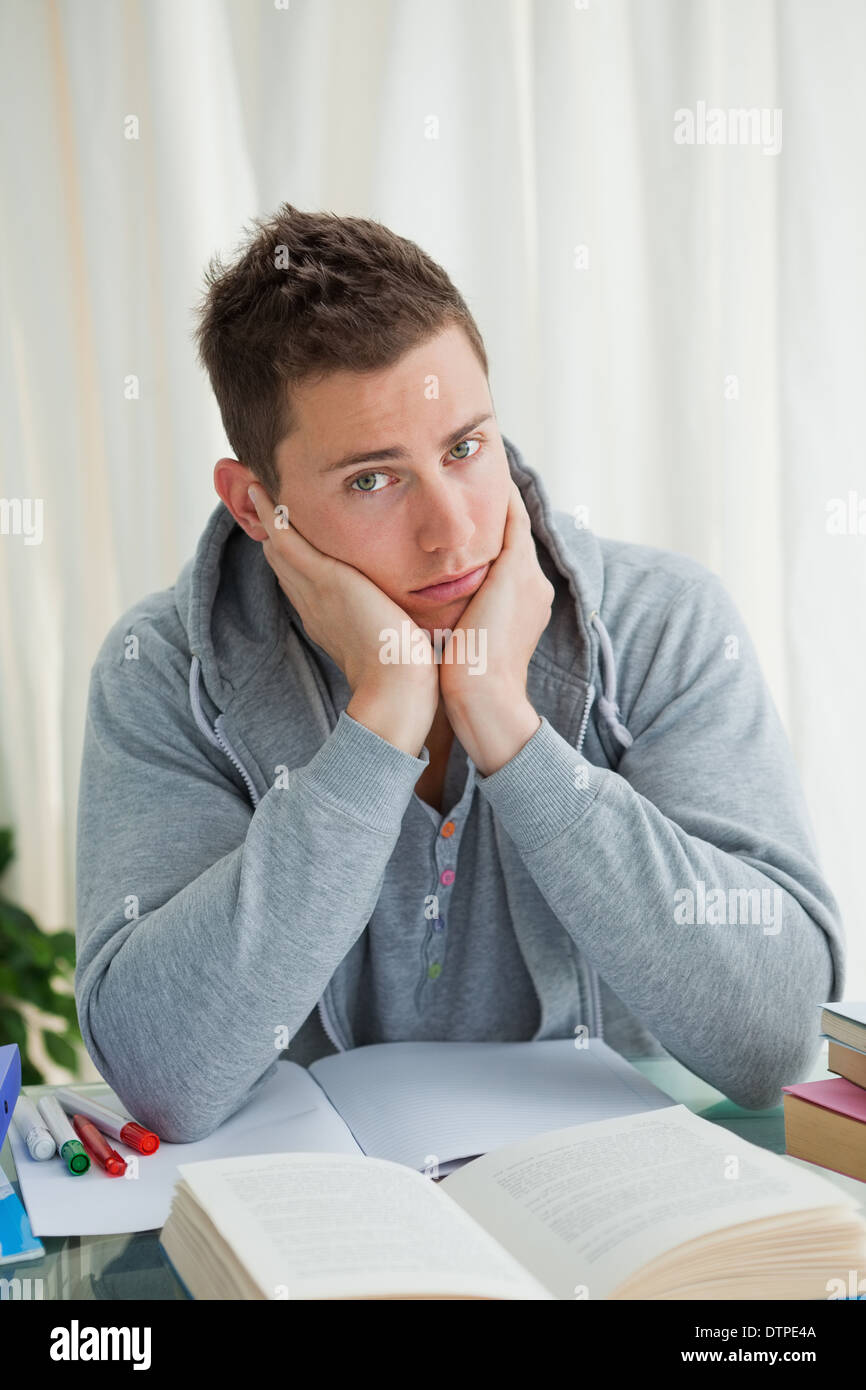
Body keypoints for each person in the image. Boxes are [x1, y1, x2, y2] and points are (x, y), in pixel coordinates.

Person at [74, 203, 844, 1142]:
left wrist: (504, 723)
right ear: (255, 505)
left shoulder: (664, 623)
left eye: (465, 448)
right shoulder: (163, 672)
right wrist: (382, 721)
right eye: (372, 479)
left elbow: (773, 1042)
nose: (455, 531)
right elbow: (166, 1081)